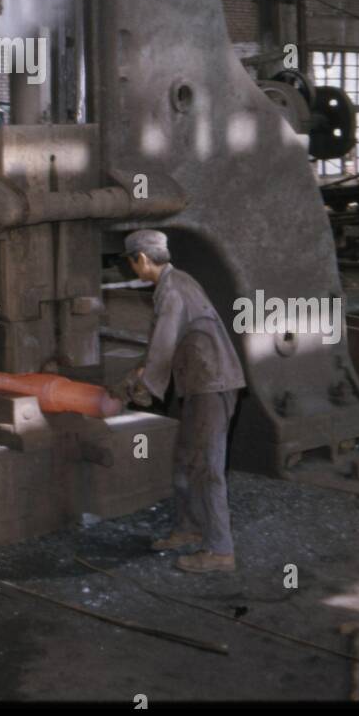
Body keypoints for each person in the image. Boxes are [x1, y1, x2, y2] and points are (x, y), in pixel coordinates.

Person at [121, 230, 246, 573]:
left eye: (132, 263)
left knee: (207, 468)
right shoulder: (176, 282)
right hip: (199, 384)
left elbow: (162, 348)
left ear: (143, 259)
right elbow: (163, 342)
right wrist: (139, 371)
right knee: (186, 459)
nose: (133, 269)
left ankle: (220, 551)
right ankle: (189, 528)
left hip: (212, 384)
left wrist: (142, 387)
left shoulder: (173, 291)